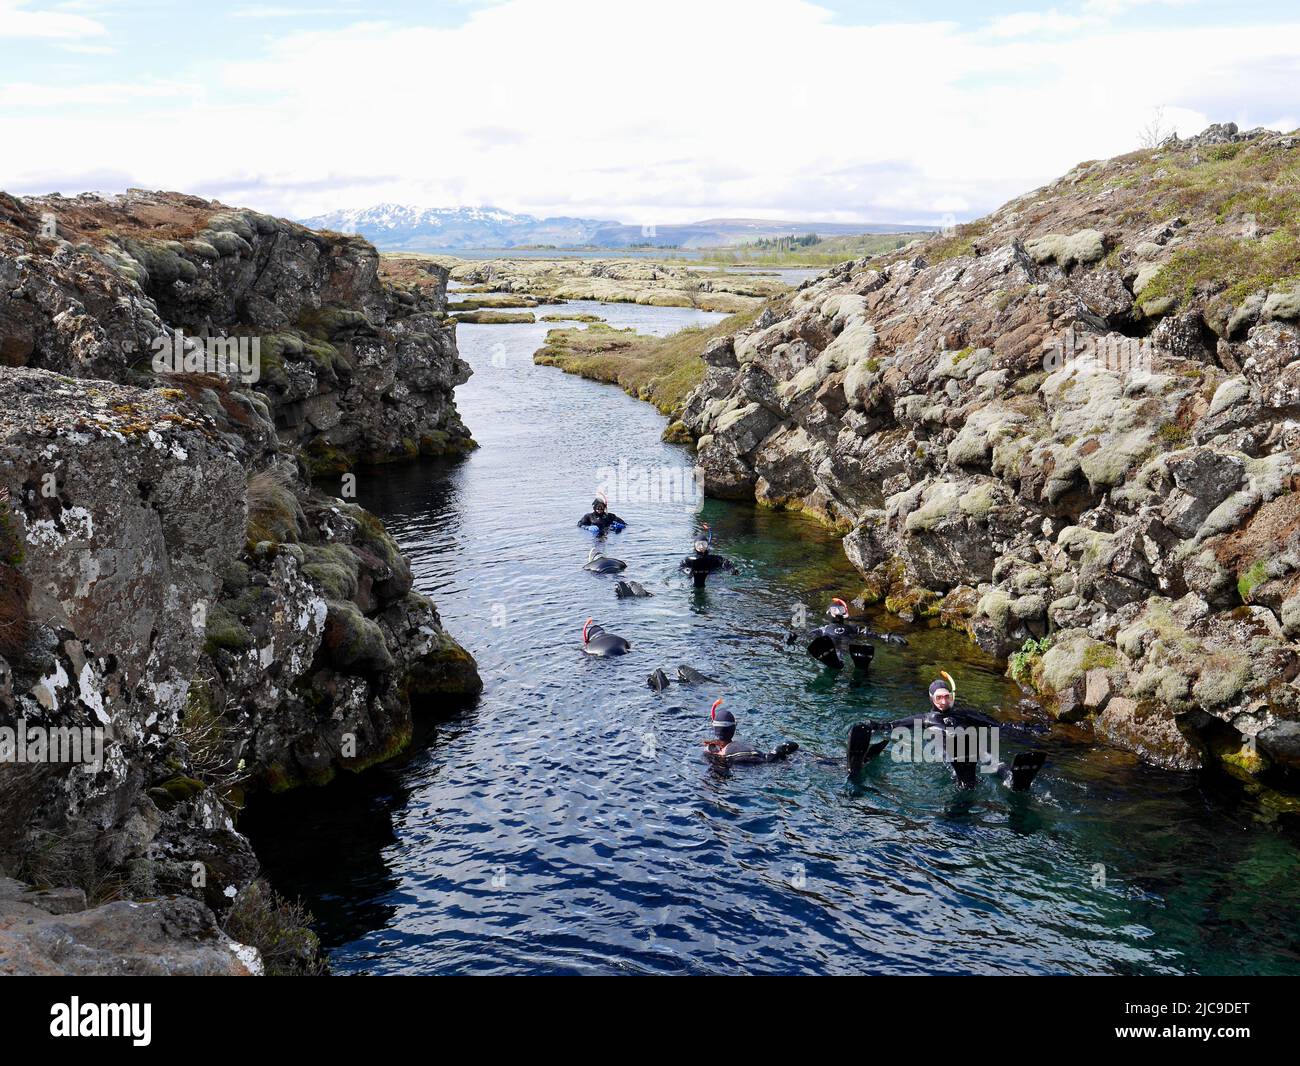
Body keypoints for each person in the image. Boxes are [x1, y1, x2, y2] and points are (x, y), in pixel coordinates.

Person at [846, 673, 1046, 790]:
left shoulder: (964, 714)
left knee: (987, 757)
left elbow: (996, 725)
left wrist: (1025, 728)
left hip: (968, 745)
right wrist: (872, 725)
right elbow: (892, 725)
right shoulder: (925, 718)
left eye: (946, 697)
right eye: (939, 698)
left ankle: (1011, 778)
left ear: (951, 697)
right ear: (932, 698)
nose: (943, 701)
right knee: (945, 748)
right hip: (945, 747)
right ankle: (960, 776)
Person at [803, 597, 906, 670]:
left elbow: (870, 633)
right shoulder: (823, 630)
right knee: (832, 649)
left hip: (847, 652)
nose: (838, 613)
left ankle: (845, 663)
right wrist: (791, 637)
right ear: (828, 612)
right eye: (835, 610)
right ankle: (837, 661)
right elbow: (807, 636)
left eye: (841, 610)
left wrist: (888, 636)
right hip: (835, 651)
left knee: (842, 655)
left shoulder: (852, 628)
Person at [703, 700, 797, 765]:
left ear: (715, 729)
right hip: (764, 758)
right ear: (734, 728)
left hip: (751, 764)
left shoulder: (714, 751)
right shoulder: (742, 744)